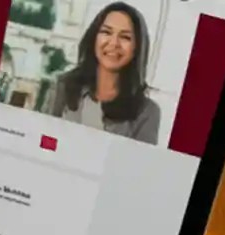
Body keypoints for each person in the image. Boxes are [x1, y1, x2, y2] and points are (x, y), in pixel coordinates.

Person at [44, 2, 160, 144]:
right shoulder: (62, 87)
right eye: (106, 32)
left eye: (125, 37)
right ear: (94, 38)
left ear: (137, 48)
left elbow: (141, 164)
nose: (113, 43)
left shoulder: (147, 112)